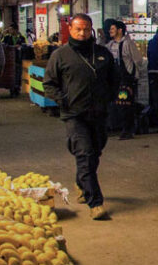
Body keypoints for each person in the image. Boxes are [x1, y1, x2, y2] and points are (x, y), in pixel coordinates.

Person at [42, 14, 118, 221]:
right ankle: (96, 203)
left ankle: (80, 182)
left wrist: (109, 98)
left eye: (86, 29)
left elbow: (114, 79)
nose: (82, 33)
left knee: (95, 152)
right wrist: (63, 100)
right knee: (84, 153)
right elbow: (49, 84)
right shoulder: (60, 55)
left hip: (99, 113)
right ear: (71, 30)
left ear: (91, 29)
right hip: (74, 115)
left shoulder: (102, 54)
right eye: (78, 29)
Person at [107, 20, 142, 140]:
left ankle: (128, 129)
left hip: (126, 79)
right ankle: (122, 127)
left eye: (112, 29)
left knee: (125, 103)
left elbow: (138, 60)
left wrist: (133, 72)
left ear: (120, 30)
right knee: (118, 103)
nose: (110, 31)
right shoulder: (110, 45)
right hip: (115, 79)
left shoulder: (128, 43)